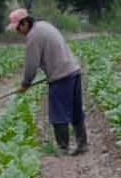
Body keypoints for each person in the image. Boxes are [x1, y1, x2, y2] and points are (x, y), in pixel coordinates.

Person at [8, 9, 86, 155]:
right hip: (73, 70)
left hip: (61, 75)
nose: (17, 31)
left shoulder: (33, 36)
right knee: (76, 110)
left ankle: (63, 149)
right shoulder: (44, 25)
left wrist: (25, 84)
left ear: (25, 23)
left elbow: (31, 65)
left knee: (59, 113)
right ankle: (82, 145)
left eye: (17, 27)